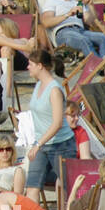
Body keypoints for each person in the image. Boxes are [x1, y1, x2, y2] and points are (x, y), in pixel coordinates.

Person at [22, 49, 76, 198]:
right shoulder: (38, 85)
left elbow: (58, 122)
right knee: (32, 186)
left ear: (40, 66)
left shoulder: (54, 90)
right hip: (41, 143)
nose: (28, 67)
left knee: (65, 186)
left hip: (61, 144)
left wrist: (38, 144)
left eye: (30, 64)